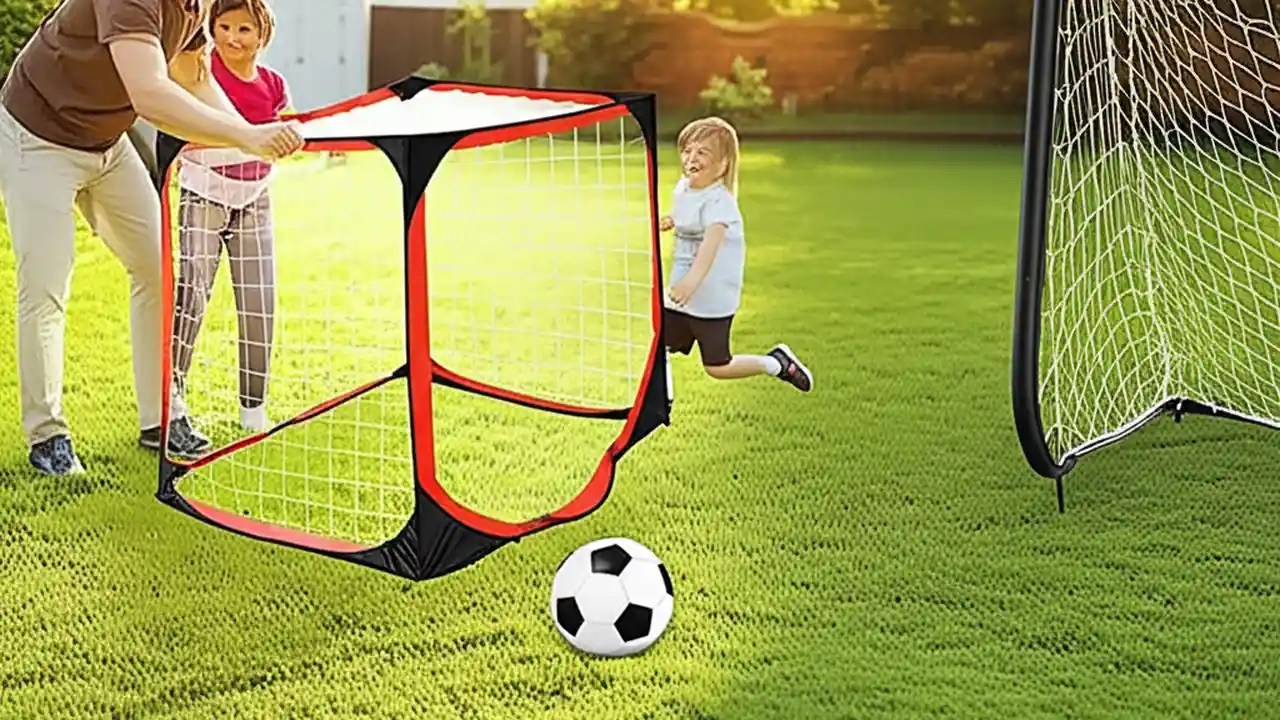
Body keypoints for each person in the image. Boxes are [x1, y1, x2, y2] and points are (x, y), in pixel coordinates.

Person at [0, 0, 305, 476]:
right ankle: (48, 437)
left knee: (157, 269)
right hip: (38, 136)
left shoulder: (193, 4)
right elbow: (149, 92)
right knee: (45, 287)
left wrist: (253, 134)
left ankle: (160, 418)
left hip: (106, 142)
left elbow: (195, 77)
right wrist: (246, 137)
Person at [170, 0, 288, 433]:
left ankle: (253, 408)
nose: (232, 38)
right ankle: (172, 394)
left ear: (263, 35)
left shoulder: (274, 84)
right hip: (204, 193)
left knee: (259, 298)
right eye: (223, 26)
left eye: (244, 29)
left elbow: (280, 132)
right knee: (193, 290)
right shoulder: (202, 71)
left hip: (254, 197)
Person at [658, 116, 814, 392]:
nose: (691, 157)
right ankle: (660, 397)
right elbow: (689, 218)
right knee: (659, 344)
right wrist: (672, 220)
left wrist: (690, 284)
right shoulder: (684, 188)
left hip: (710, 295)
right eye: (687, 150)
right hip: (681, 291)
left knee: (718, 367)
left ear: (722, 165)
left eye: (702, 152)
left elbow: (710, 247)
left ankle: (776, 364)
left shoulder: (721, 202)